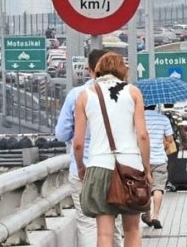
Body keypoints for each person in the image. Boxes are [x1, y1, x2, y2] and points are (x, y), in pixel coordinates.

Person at [72, 52, 151, 247]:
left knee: (104, 234)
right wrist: (147, 169)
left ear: (98, 70)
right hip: (131, 167)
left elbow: (78, 143)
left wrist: (81, 166)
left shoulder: (85, 96)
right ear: (122, 70)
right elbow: (142, 135)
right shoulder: (133, 92)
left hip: (99, 166)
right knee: (132, 230)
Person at [55, 49, 122, 247]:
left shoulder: (77, 95)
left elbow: (63, 134)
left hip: (83, 168)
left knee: (87, 224)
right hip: (114, 168)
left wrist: (80, 164)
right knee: (114, 223)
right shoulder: (125, 92)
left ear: (89, 69)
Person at [142, 105, 174, 230]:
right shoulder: (163, 119)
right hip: (159, 159)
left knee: (145, 188)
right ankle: (155, 216)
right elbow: (170, 139)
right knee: (158, 188)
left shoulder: (138, 118)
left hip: (141, 159)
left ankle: (147, 215)